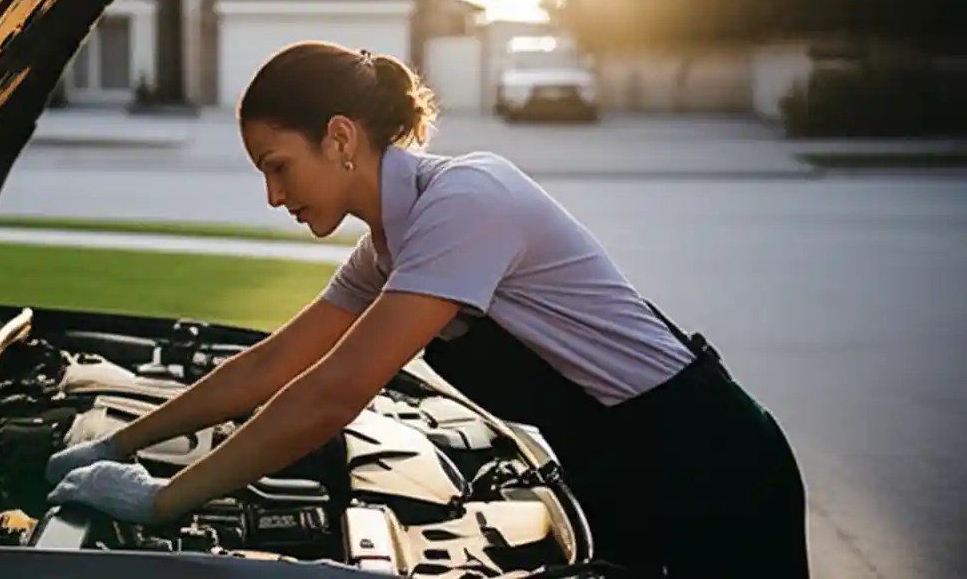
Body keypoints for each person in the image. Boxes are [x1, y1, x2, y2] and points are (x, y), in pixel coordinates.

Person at [44, 41, 810, 577]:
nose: (274, 196)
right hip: (626, 477)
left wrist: (165, 500)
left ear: (339, 138)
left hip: (715, 467)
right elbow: (278, 362)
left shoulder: (464, 202)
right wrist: (118, 447)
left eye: (279, 167)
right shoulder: (390, 246)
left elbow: (335, 391)